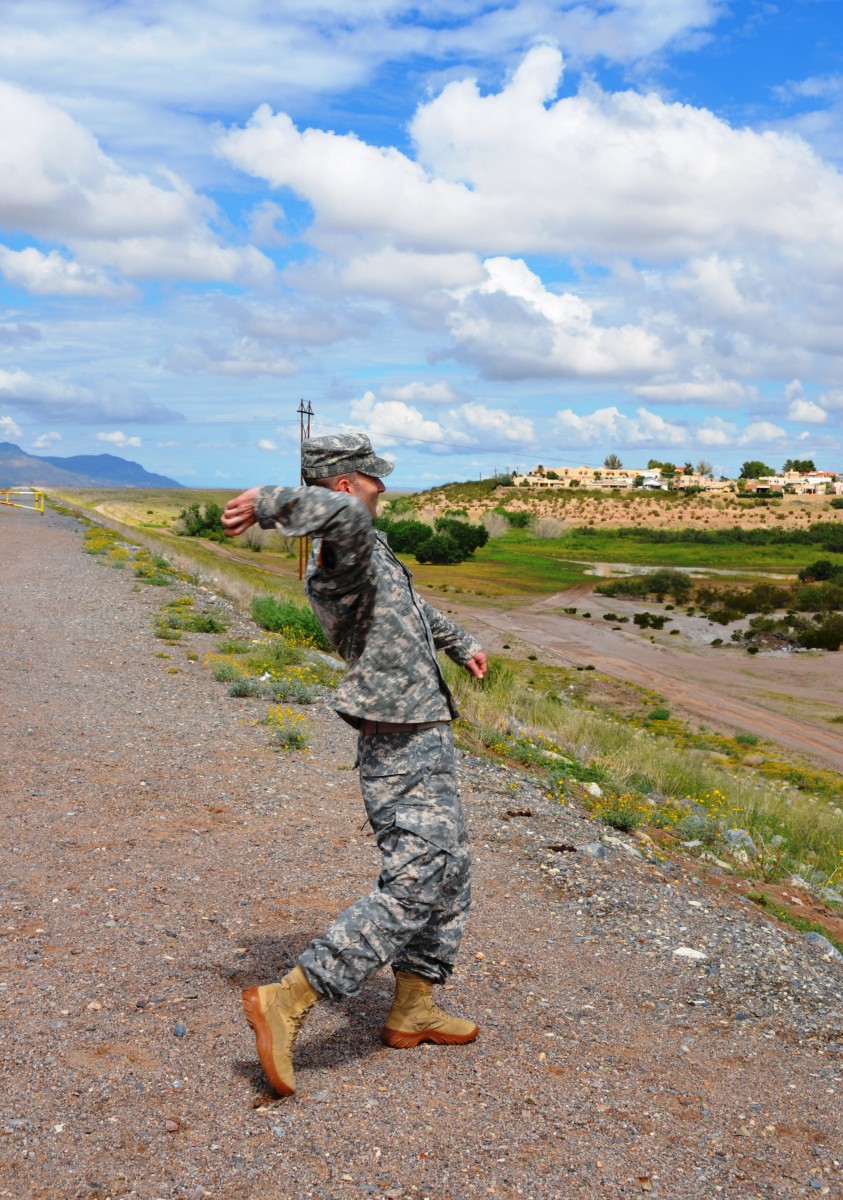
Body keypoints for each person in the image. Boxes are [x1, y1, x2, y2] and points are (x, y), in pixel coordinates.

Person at [221, 433, 487, 1097]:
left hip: (422, 727)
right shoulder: (344, 547)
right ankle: (289, 998)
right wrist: (271, 501)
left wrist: (460, 643)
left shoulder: (371, 550)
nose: (382, 487)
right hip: (398, 738)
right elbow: (337, 516)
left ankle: (413, 1007)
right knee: (417, 877)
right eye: (372, 478)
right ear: (344, 484)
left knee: (450, 871)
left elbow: (410, 609)